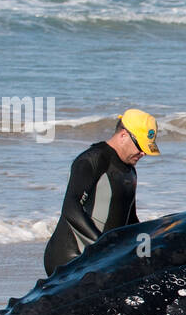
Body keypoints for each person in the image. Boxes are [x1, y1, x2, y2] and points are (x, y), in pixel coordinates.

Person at [43, 109, 158, 276]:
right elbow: (71, 207)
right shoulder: (92, 160)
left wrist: (148, 246)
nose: (143, 153)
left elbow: (130, 219)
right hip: (71, 257)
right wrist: (102, 245)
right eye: (140, 146)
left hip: (102, 257)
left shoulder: (129, 171)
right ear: (124, 135)